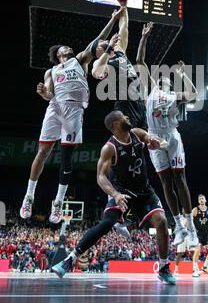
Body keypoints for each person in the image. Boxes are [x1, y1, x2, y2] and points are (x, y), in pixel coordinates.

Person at [20, 9, 122, 224]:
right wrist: (43, 92)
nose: (68, 47)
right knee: (43, 152)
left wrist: (112, 19)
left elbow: (96, 41)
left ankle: (58, 202)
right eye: (64, 47)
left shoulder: (80, 60)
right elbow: (49, 94)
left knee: (67, 158)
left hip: (75, 110)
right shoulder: (52, 71)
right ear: (58, 53)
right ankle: (29, 196)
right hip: (56, 108)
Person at [52, 110, 176, 285]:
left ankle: (163, 268)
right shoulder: (109, 148)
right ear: (116, 124)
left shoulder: (137, 134)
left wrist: (159, 144)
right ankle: (69, 260)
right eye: (123, 117)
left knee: (162, 222)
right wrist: (115, 194)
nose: (127, 117)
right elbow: (100, 176)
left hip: (144, 192)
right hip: (122, 193)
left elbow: (152, 138)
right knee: (106, 224)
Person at [136, 22, 198, 249]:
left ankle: (190, 227)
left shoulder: (174, 96)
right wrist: (144, 38)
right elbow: (140, 63)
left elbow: (192, 94)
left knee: (179, 179)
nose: (163, 81)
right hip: (154, 137)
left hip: (171, 137)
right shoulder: (151, 91)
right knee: (165, 181)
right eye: (161, 79)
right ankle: (179, 227)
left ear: (170, 85)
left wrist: (184, 75)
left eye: (168, 81)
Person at [92, 4, 147, 129]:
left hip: (139, 100)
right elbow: (96, 73)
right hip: (125, 102)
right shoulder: (99, 62)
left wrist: (124, 4)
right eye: (103, 41)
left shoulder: (120, 51)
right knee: (129, 137)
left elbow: (124, 26)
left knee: (144, 140)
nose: (106, 40)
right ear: (99, 49)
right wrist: (109, 47)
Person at [192, 194, 208, 277]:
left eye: (202, 198)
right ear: (198, 201)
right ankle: (195, 269)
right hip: (197, 233)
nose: (201, 200)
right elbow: (190, 220)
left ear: (205, 200)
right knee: (197, 250)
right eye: (200, 199)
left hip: (205, 233)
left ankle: (205, 266)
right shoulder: (195, 210)